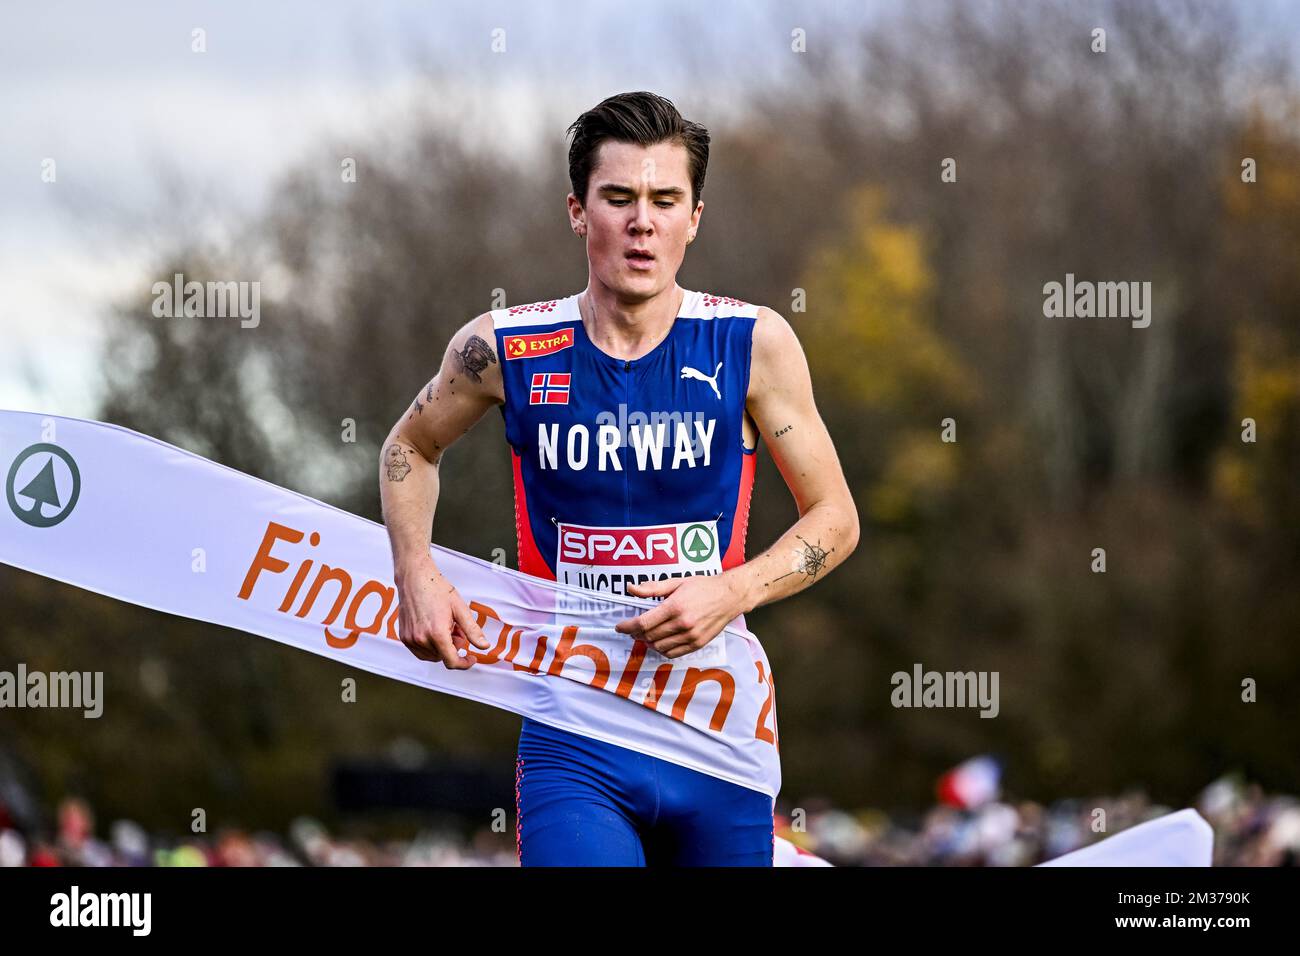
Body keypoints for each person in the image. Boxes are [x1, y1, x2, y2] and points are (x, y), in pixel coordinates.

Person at [379, 91, 859, 866]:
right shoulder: (503, 348)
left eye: (666, 200)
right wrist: (416, 571)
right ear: (579, 210)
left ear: (694, 217)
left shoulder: (753, 342)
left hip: (715, 729)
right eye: (620, 198)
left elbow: (834, 518)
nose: (644, 222)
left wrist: (732, 591)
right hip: (577, 730)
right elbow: (409, 448)